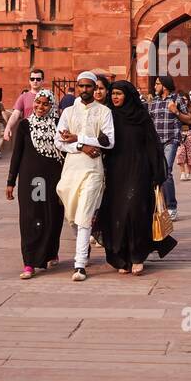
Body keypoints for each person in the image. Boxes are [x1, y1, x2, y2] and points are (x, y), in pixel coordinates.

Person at [98, 80, 177, 276]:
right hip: (116, 170)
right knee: (117, 213)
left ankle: (137, 255)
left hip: (139, 170)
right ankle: (122, 257)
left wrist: (157, 172)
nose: (115, 97)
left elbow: (152, 144)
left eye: (119, 93)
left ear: (128, 95)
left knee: (135, 211)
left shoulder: (141, 116)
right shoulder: (109, 115)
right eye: (113, 93)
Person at [55, 72, 114, 282]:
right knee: (72, 214)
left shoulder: (104, 112)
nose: (85, 90)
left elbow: (108, 141)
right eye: (81, 86)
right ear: (77, 87)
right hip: (71, 168)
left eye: (89, 86)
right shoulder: (69, 112)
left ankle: (79, 264)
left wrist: (79, 137)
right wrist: (83, 146)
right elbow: (59, 141)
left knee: (85, 215)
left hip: (92, 170)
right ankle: (84, 246)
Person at [6, 89, 66, 279]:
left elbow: (66, 152)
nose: (40, 107)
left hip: (54, 179)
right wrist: (10, 181)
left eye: (45, 104)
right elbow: (17, 155)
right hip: (33, 181)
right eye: (38, 103)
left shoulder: (58, 124)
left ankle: (49, 252)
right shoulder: (25, 125)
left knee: (52, 216)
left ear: (51, 105)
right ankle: (30, 261)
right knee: (31, 216)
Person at [148, 76, 191, 221]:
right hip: (155, 142)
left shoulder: (177, 100)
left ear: (165, 86)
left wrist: (176, 112)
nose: (155, 86)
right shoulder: (154, 101)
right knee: (155, 174)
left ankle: (172, 206)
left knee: (166, 172)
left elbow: (189, 119)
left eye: (157, 84)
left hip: (170, 140)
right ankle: (159, 206)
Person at [1, 69, 47, 152]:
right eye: (32, 79)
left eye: (38, 79)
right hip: (29, 132)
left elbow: (55, 114)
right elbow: (15, 114)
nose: (35, 81)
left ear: (42, 81)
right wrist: (8, 127)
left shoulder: (48, 96)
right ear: (29, 81)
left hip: (45, 133)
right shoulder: (23, 97)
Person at [176, 97, 191, 180]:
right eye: (183, 100)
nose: (184, 101)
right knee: (180, 153)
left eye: (186, 99)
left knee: (190, 154)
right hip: (180, 133)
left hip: (189, 132)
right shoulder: (177, 110)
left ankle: (188, 173)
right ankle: (182, 173)